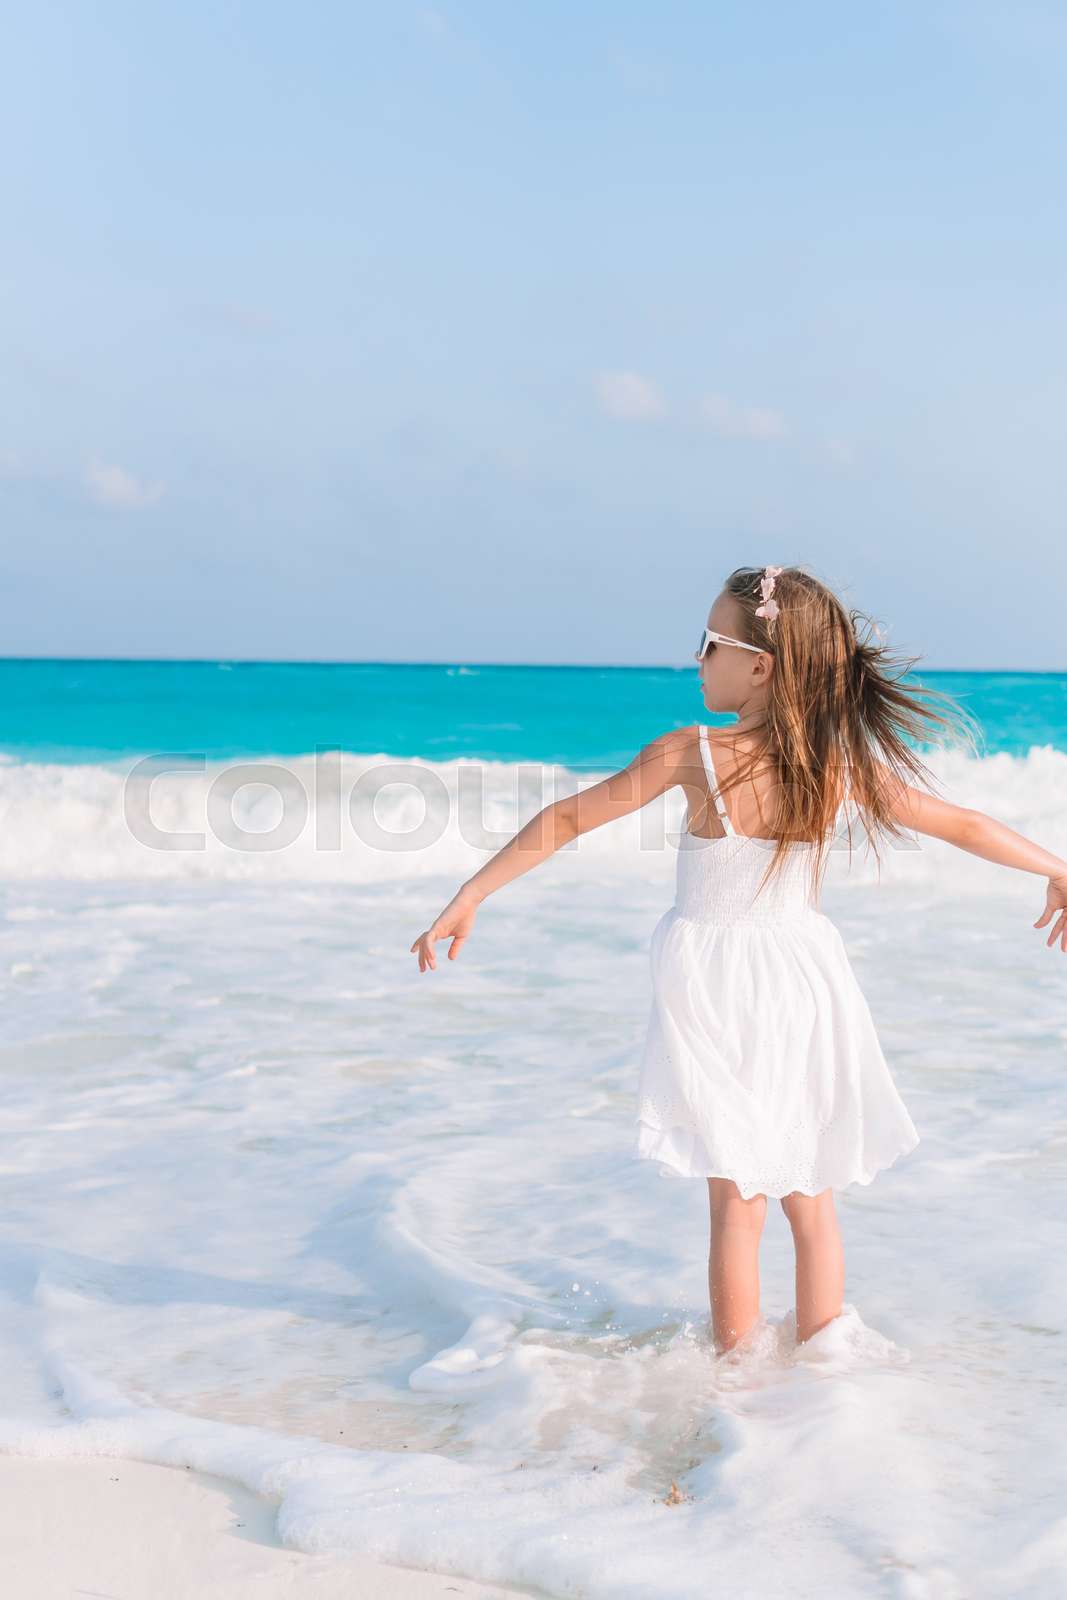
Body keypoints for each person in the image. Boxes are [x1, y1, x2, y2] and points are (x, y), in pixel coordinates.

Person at [409, 565, 1067, 1355]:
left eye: (709, 642)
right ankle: (824, 1366)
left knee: (737, 1200)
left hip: (716, 988)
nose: (696, 658)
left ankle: (736, 1377)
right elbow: (960, 823)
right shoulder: (836, 764)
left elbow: (568, 819)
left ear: (759, 666)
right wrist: (1055, 867)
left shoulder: (691, 753)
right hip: (807, 980)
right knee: (811, 1197)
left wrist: (472, 892)